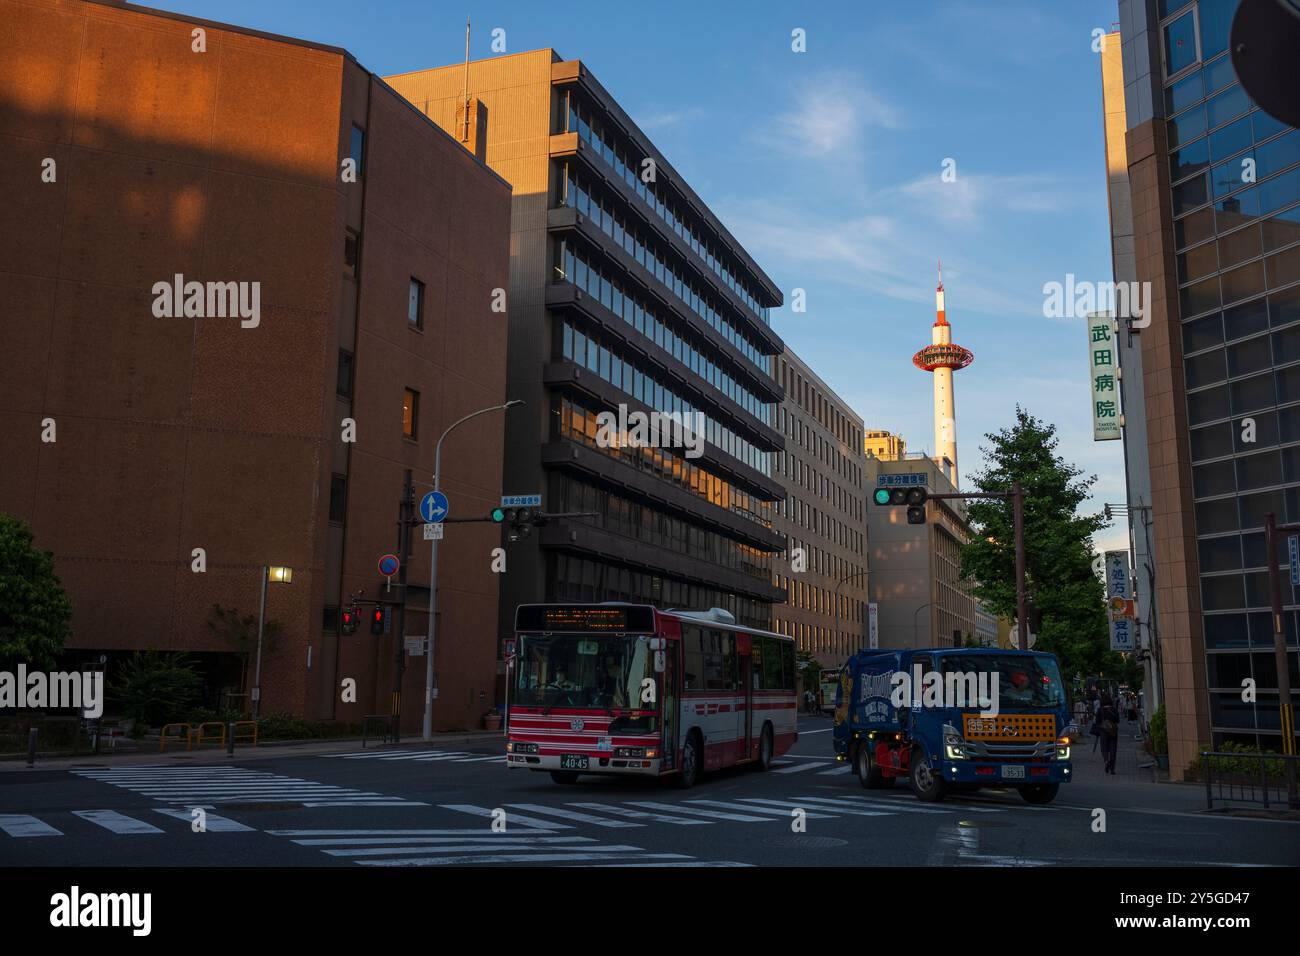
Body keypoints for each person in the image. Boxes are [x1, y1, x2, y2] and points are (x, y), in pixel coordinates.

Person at [1097, 692, 1120, 775]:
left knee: (1104, 748)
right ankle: (1112, 769)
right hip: (1113, 731)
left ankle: (1106, 760)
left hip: (1103, 731)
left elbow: (1097, 721)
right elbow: (1118, 720)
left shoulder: (1100, 710)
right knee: (1113, 749)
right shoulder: (1114, 709)